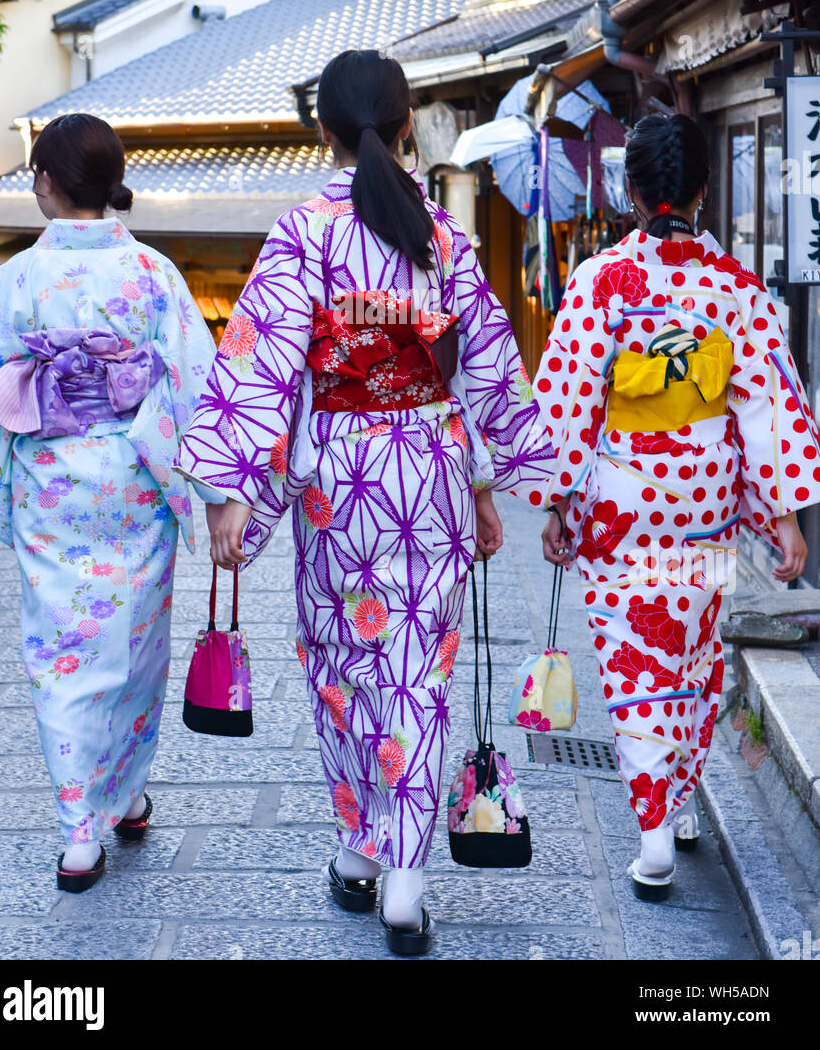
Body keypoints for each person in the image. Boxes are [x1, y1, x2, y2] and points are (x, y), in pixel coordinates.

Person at [176, 49, 554, 954]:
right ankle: (402, 878)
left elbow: (261, 359)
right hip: (427, 465)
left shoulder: (304, 231)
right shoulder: (445, 237)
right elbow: (489, 371)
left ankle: (361, 850)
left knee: (345, 659)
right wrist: (495, 485)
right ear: (406, 127)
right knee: (417, 670)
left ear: (324, 134)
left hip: (339, 478)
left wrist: (230, 490)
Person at [533, 112, 820, 900]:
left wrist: (557, 500)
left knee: (635, 666)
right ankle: (679, 798)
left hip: (622, 503)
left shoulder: (600, 282)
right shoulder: (737, 289)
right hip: (705, 499)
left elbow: (567, 402)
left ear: (629, 192)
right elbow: (767, 405)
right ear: (701, 191)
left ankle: (653, 833)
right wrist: (783, 517)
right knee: (692, 657)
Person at [0, 114, 219, 892]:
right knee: (134, 643)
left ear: (45, 181)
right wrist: (209, 489)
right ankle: (126, 793)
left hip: (52, 483)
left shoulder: (20, 280)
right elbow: (195, 382)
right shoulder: (153, 274)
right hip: (134, 473)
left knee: (59, 647)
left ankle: (79, 830)